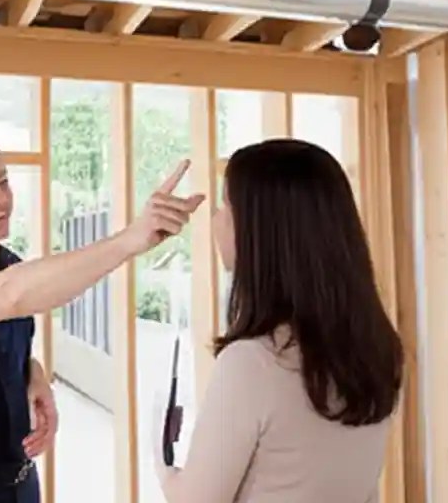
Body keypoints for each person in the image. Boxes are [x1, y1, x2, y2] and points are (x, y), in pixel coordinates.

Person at [0, 133, 204, 503]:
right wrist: (128, 240)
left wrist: (31, 372)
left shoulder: (10, 265)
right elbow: (9, 296)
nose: (1, 198)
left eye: (4, 182)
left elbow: (4, 326)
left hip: (20, 482)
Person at [148, 138, 403, 503]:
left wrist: (164, 467)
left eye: (226, 205)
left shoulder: (252, 363)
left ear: (262, 231)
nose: (217, 219)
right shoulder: (379, 350)